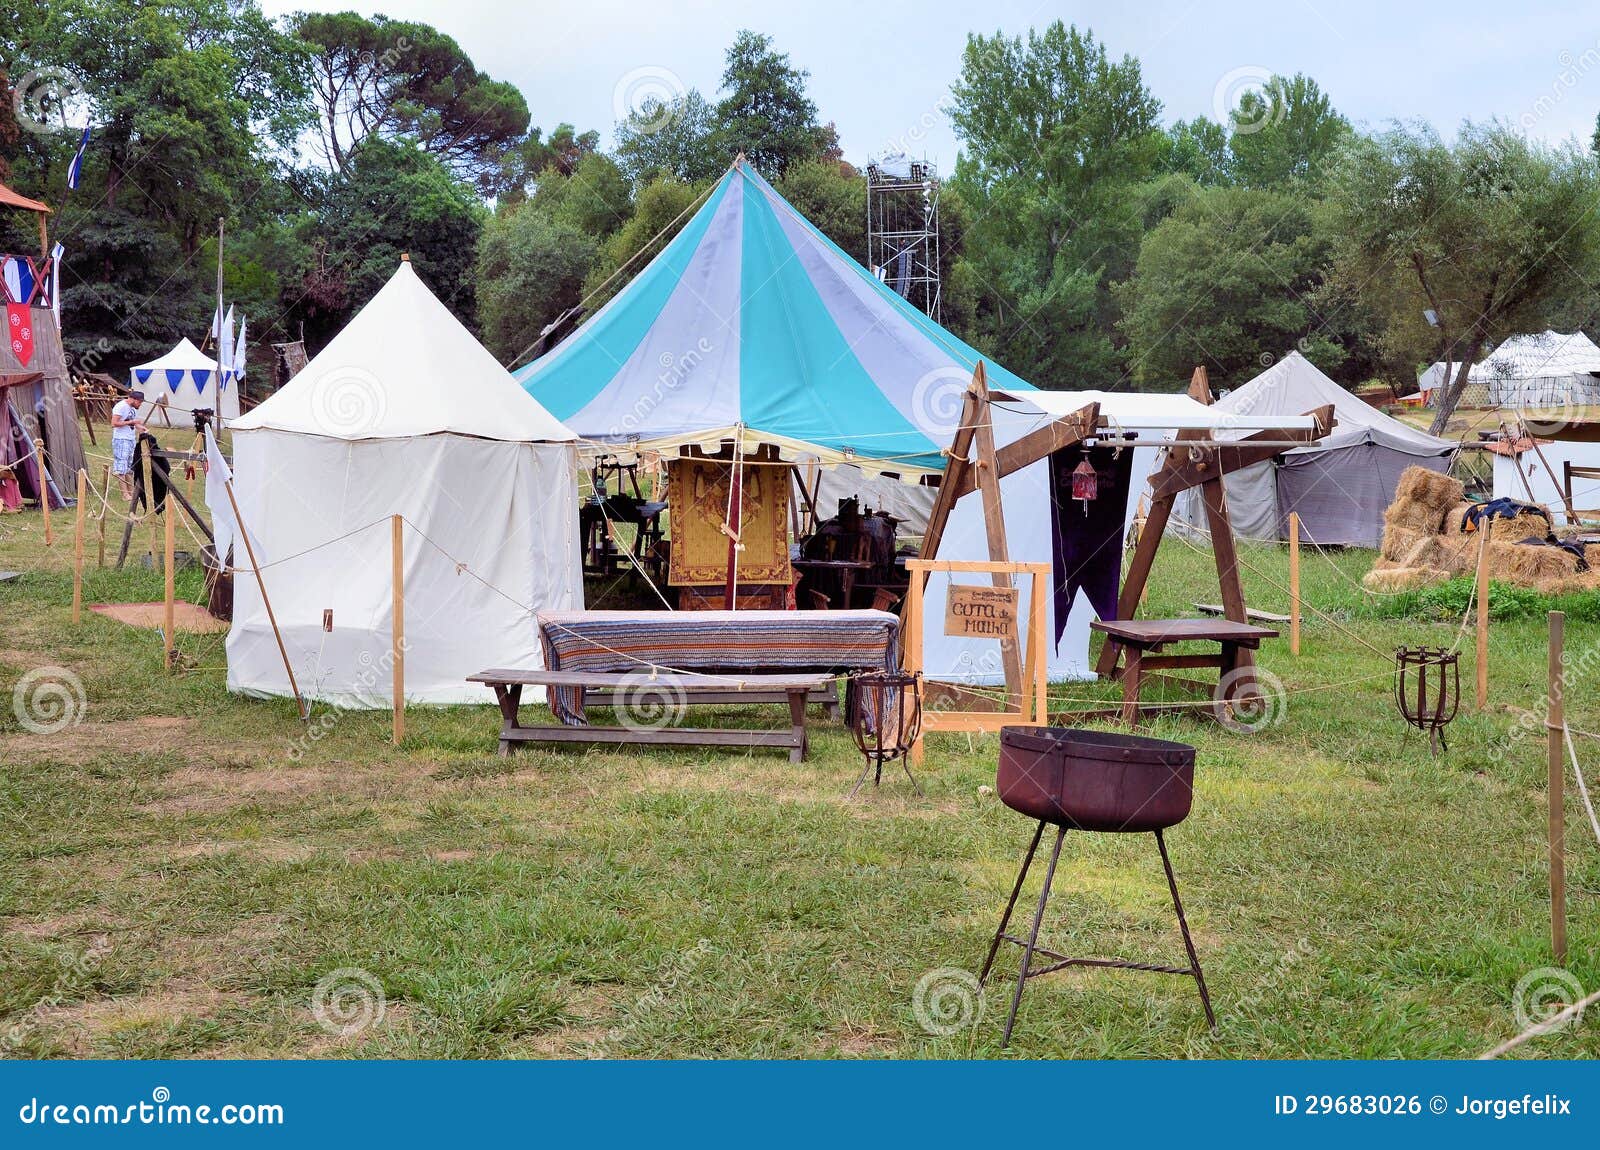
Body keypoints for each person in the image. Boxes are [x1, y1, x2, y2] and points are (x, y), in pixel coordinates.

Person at [110, 390, 147, 501]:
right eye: (139, 402)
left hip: (130, 439)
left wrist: (141, 428)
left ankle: (131, 493)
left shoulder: (133, 409)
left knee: (130, 468)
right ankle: (125, 494)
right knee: (121, 468)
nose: (140, 404)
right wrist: (131, 422)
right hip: (121, 440)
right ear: (133, 399)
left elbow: (134, 423)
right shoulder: (120, 407)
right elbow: (114, 423)